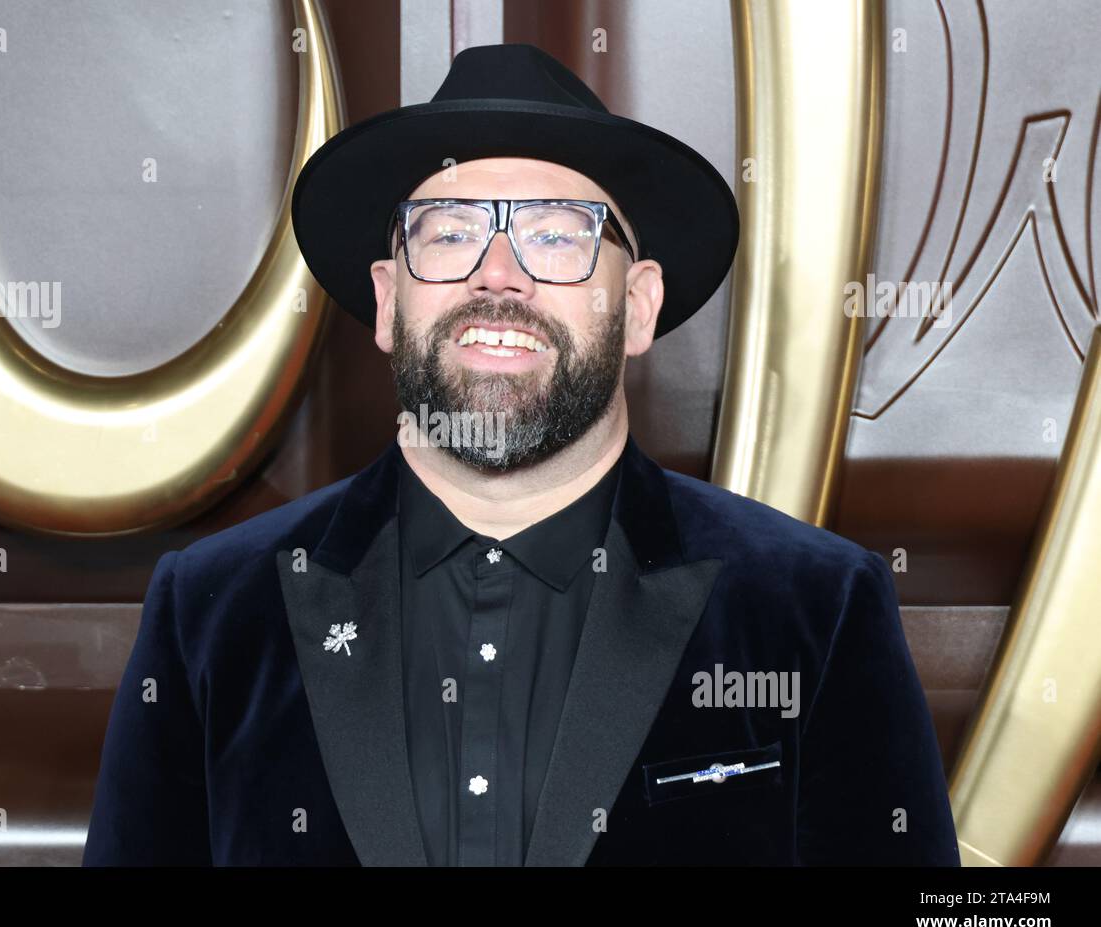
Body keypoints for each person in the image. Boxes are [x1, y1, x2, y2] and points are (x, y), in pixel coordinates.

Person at [83, 43, 959, 866]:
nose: (498, 274)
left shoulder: (816, 609)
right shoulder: (211, 610)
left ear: (640, 305)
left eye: (556, 235)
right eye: (450, 231)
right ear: (389, 302)